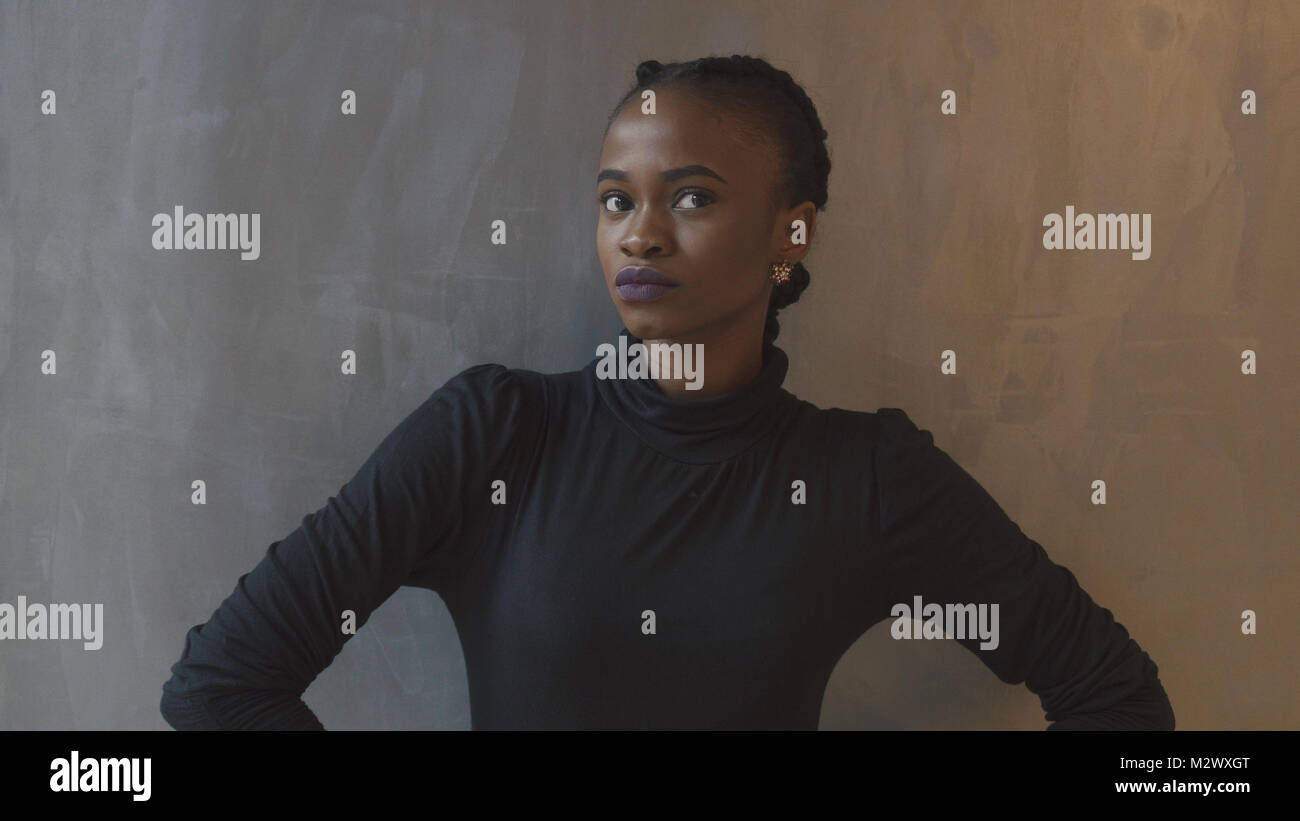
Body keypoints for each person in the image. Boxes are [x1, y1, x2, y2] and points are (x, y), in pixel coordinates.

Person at [160, 55, 1175, 730]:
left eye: (690, 196)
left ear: (791, 232)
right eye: (616, 200)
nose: (640, 234)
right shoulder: (497, 435)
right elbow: (219, 685)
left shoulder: (866, 476)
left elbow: (1116, 698)